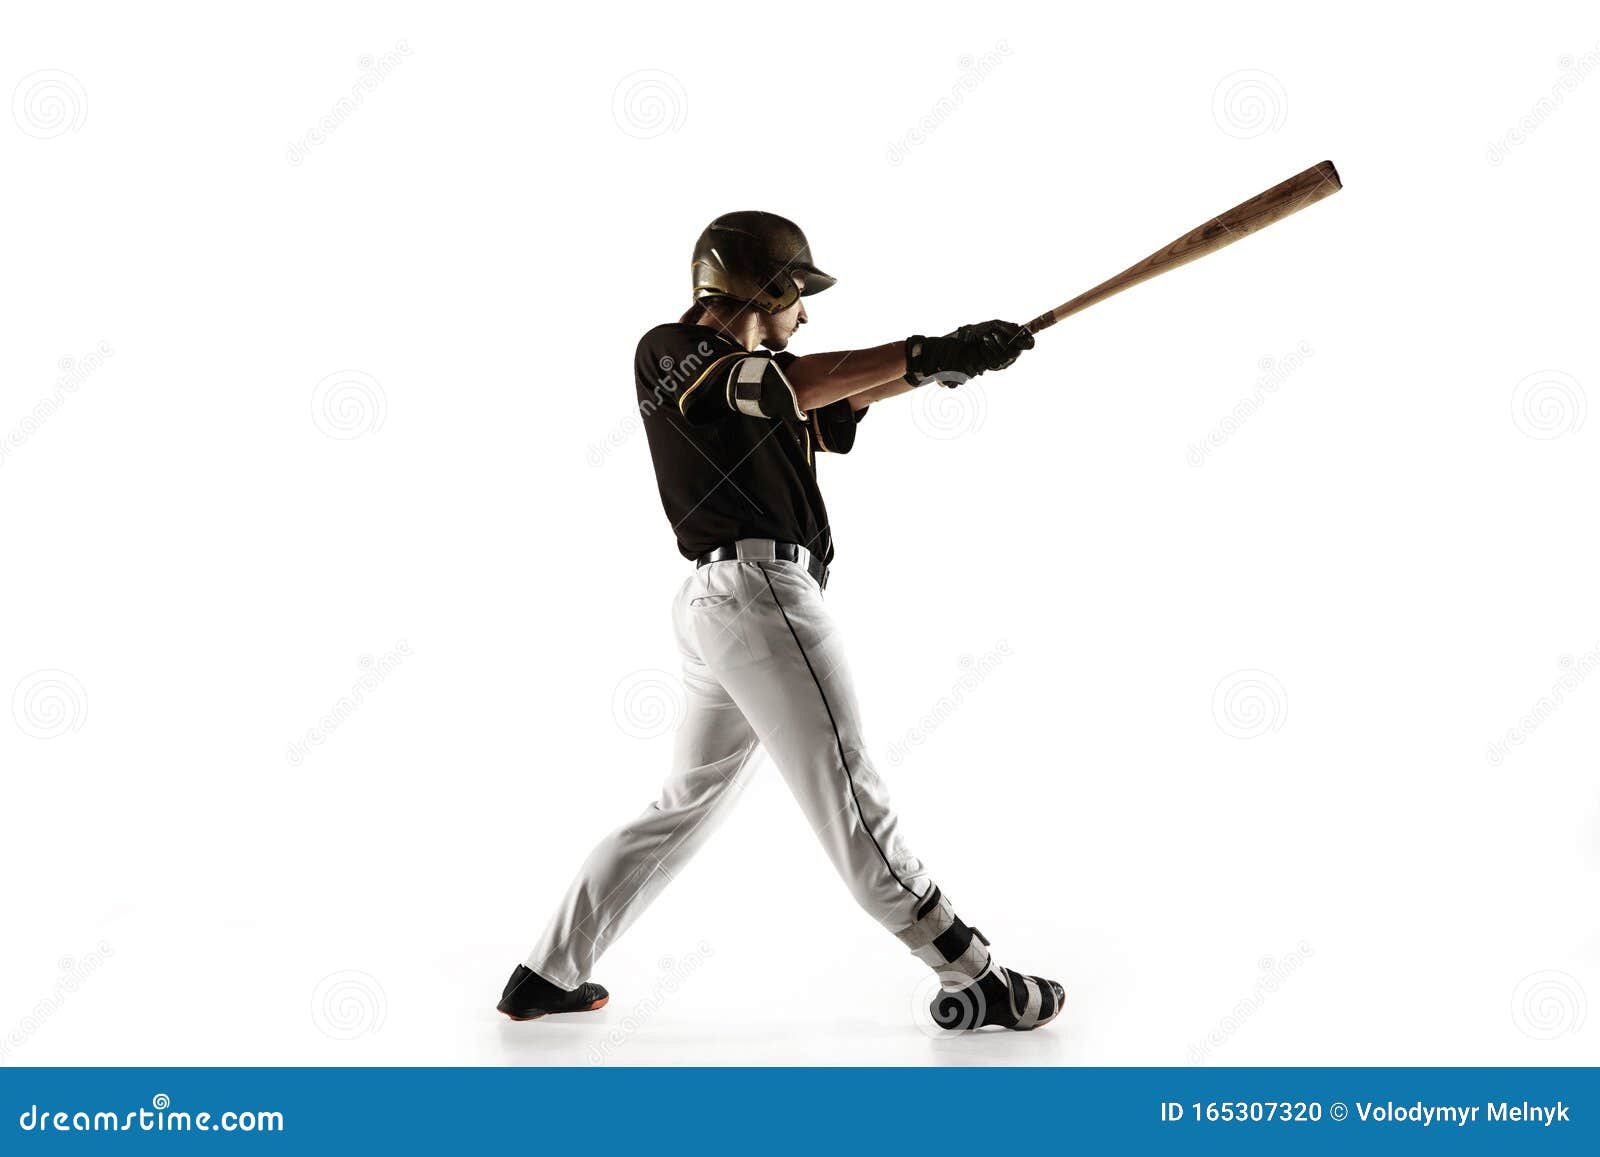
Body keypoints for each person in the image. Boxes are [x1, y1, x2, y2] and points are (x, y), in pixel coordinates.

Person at [498, 211, 1061, 1031]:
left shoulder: (763, 376)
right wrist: (924, 351)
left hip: (728, 605)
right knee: (852, 797)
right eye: (801, 293)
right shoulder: (674, 349)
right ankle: (973, 973)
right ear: (768, 288)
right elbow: (793, 387)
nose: (808, 312)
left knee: (683, 803)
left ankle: (549, 971)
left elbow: (839, 393)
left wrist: (945, 364)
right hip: (759, 595)